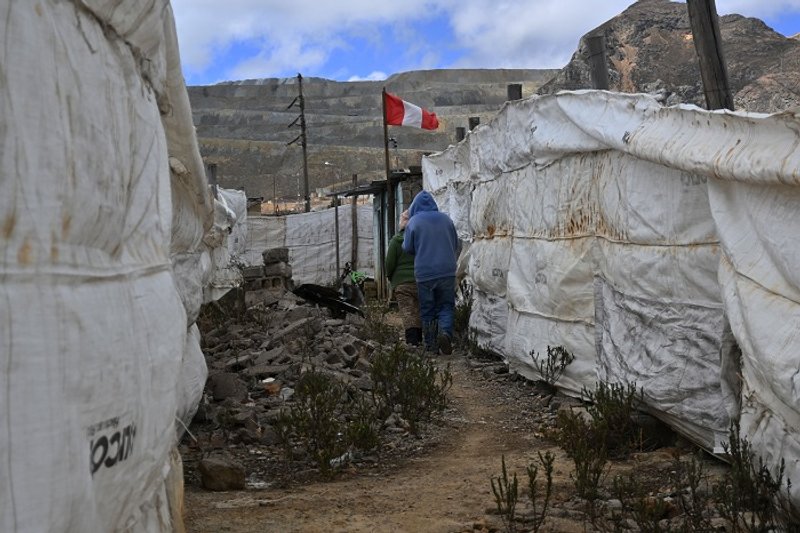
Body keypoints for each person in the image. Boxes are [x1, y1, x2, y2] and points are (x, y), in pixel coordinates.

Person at [402, 191, 461, 354]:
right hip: (447, 271)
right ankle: (445, 333)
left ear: (415, 206)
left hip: (425, 273)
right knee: (446, 305)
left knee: (427, 308)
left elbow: (407, 248)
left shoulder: (413, 222)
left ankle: (431, 345)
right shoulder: (447, 219)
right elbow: (456, 244)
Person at [385, 210, 422, 346]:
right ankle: (420, 338)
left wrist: (390, 277)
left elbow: (389, 263)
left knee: (408, 311)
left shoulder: (395, 241)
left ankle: (412, 341)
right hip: (420, 280)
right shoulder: (420, 240)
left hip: (402, 283)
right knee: (419, 310)